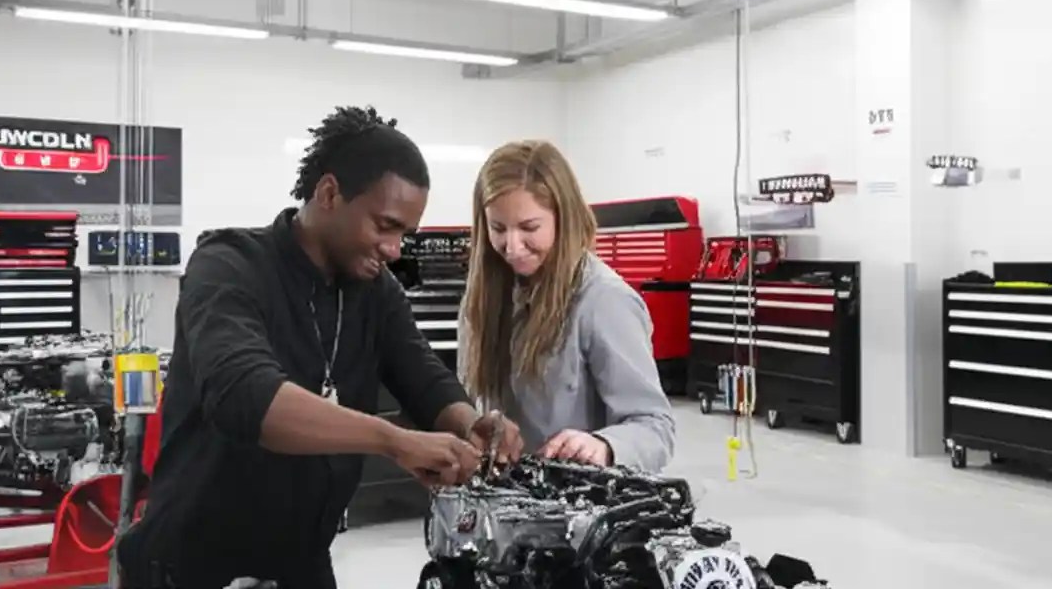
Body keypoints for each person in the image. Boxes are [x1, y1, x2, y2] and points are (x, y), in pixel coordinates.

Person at [117, 106, 523, 589]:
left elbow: (421, 373)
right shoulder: (228, 266)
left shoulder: (376, 293)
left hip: (299, 562)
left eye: (404, 234)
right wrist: (395, 441)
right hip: (189, 567)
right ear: (329, 193)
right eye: (385, 226)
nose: (395, 250)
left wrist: (470, 422)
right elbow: (247, 397)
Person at [458, 140, 675, 473]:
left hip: (577, 508)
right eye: (498, 228)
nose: (512, 247)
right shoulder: (484, 296)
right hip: (501, 502)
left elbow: (654, 428)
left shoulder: (604, 301)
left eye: (529, 228)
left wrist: (604, 446)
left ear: (564, 218)